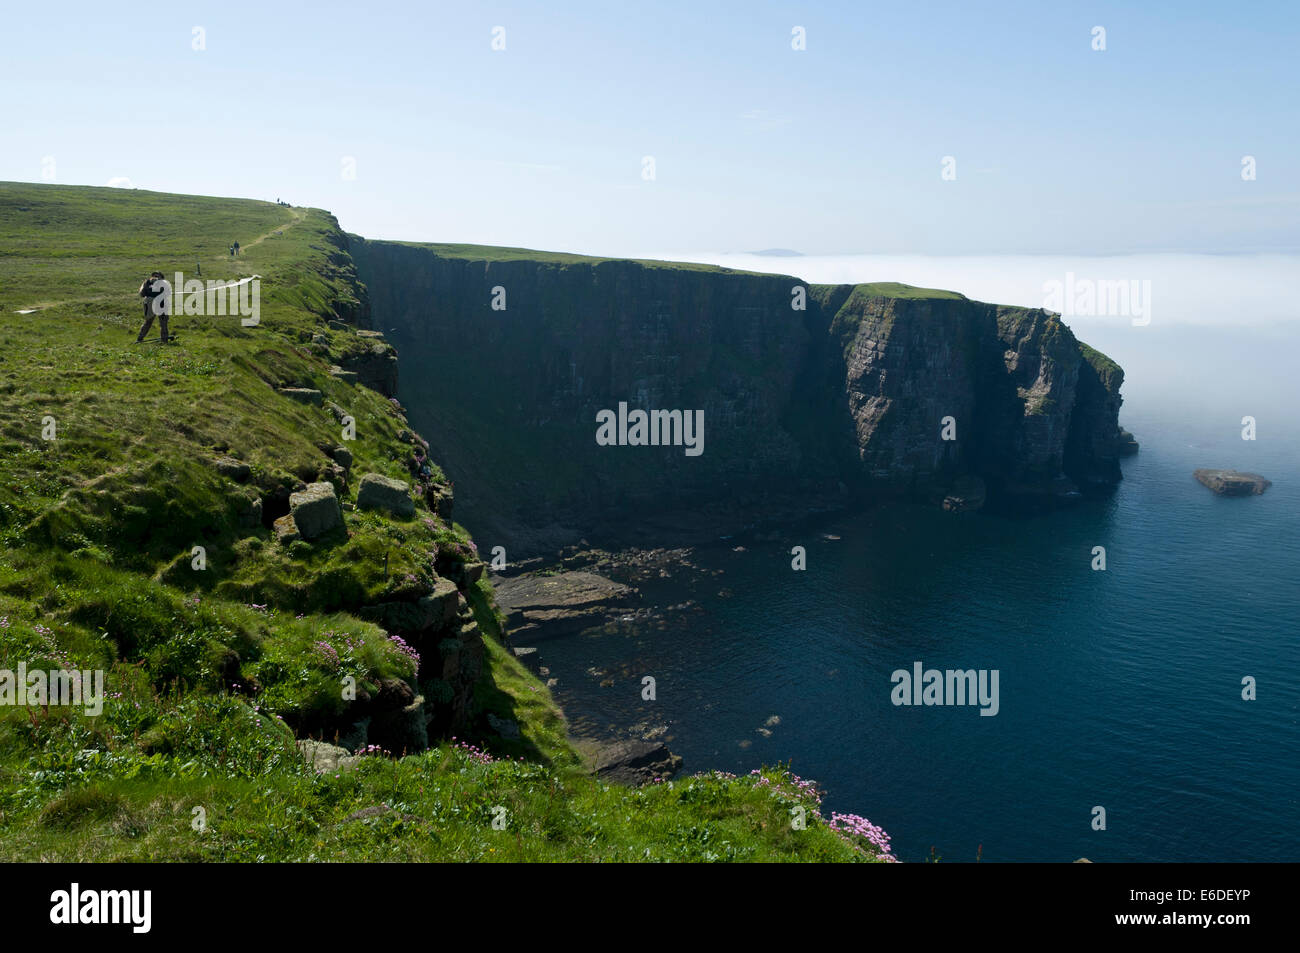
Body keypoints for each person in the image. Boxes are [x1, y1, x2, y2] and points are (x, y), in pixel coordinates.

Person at [136, 271, 171, 343]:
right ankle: (164, 340)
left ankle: (140, 338)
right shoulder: (164, 283)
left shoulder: (146, 282)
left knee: (148, 322)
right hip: (161, 303)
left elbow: (142, 293)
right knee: (163, 323)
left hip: (149, 303)